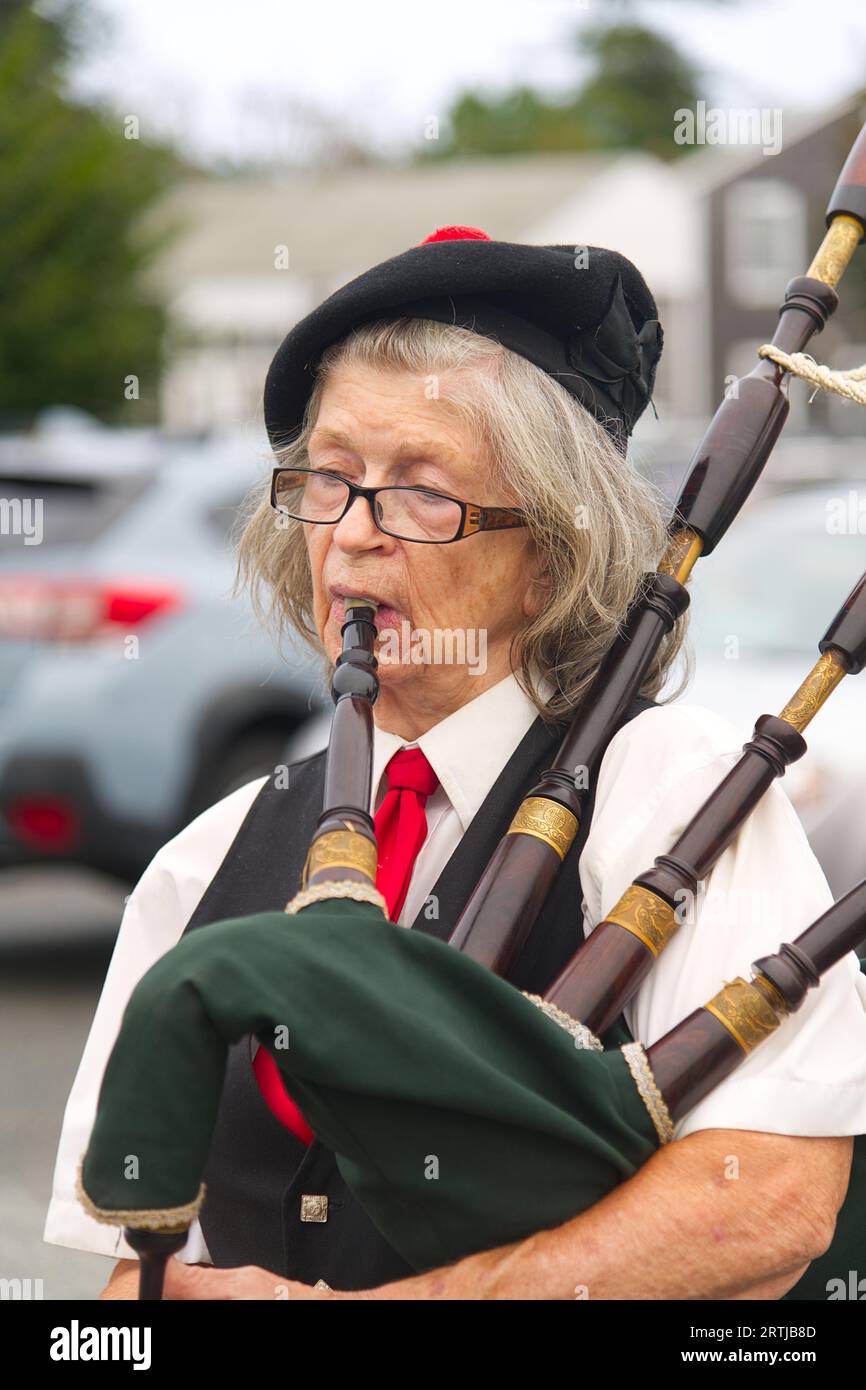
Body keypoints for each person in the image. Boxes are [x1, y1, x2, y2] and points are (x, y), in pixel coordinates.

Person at [45, 226, 866, 1300]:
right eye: (329, 479)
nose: (350, 535)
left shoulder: (670, 788)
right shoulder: (210, 857)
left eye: (423, 491)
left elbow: (765, 1194)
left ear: (550, 559)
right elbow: (134, 1279)